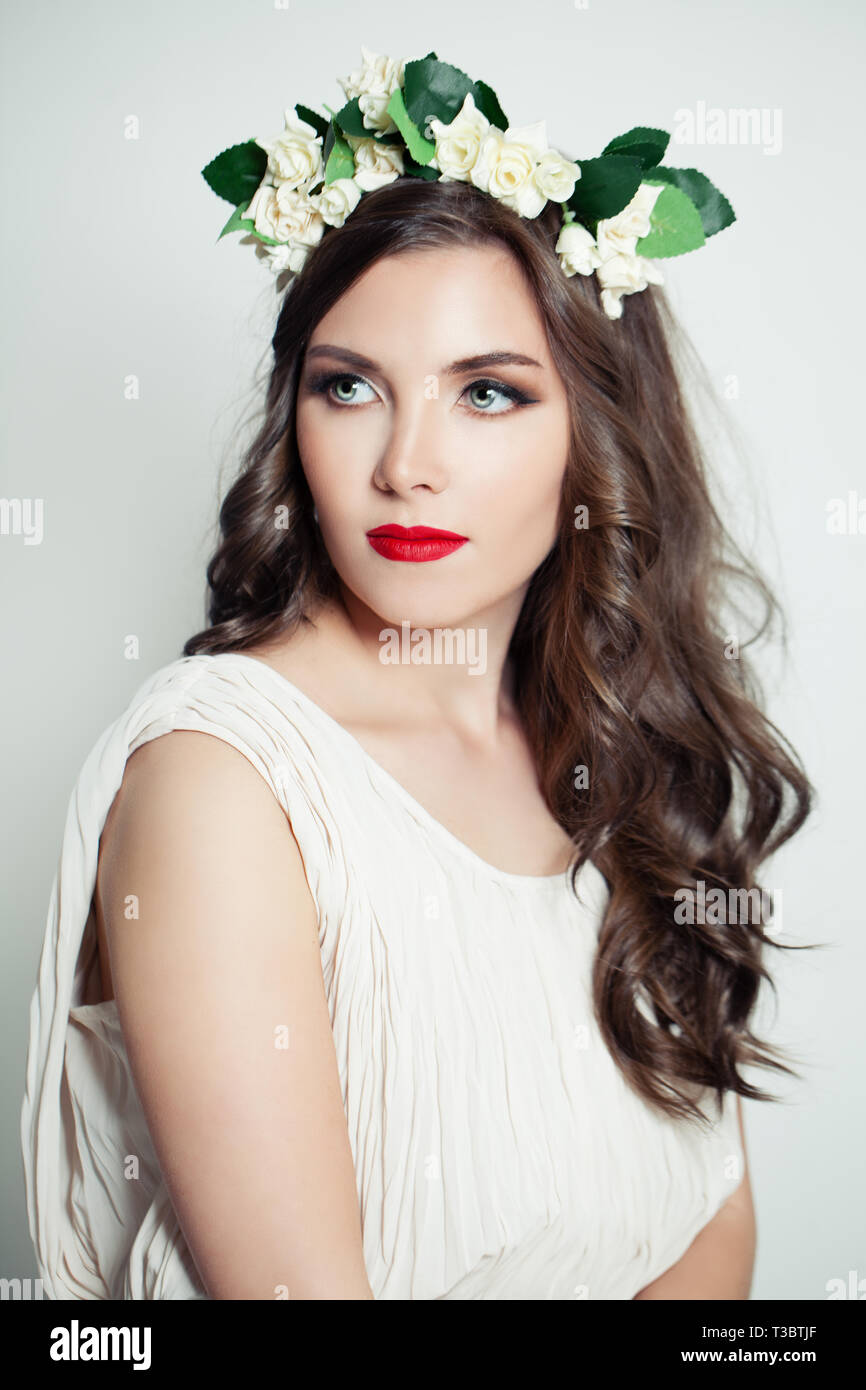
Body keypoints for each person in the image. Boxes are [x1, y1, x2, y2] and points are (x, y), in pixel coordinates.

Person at [21, 51, 812, 1300]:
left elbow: (705, 1240)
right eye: (350, 388)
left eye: (487, 393)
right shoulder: (221, 787)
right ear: (296, 414)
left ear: (596, 435)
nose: (406, 464)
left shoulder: (616, 755)